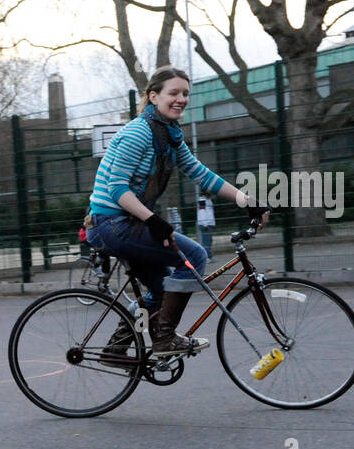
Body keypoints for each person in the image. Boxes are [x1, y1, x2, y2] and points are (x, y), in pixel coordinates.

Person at [85, 65, 267, 356]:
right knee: (194, 255)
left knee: (160, 291)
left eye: (185, 93)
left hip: (126, 223)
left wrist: (246, 200)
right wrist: (154, 221)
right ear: (154, 97)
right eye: (174, 93)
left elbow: (200, 173)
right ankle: (164, 340)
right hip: (111, 224)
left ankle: (115, 349)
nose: (181, 98)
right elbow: (118, 190)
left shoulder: (169, 135)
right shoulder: (138, 134)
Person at [196, 195, 215, 260]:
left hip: (208, 224)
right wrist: (205, 224)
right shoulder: (202, 201)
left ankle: (209, 256)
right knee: (206, 242)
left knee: (208, 241)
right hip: (205, 224)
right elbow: (202, 214)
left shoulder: (207, 200)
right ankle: (206, 257)